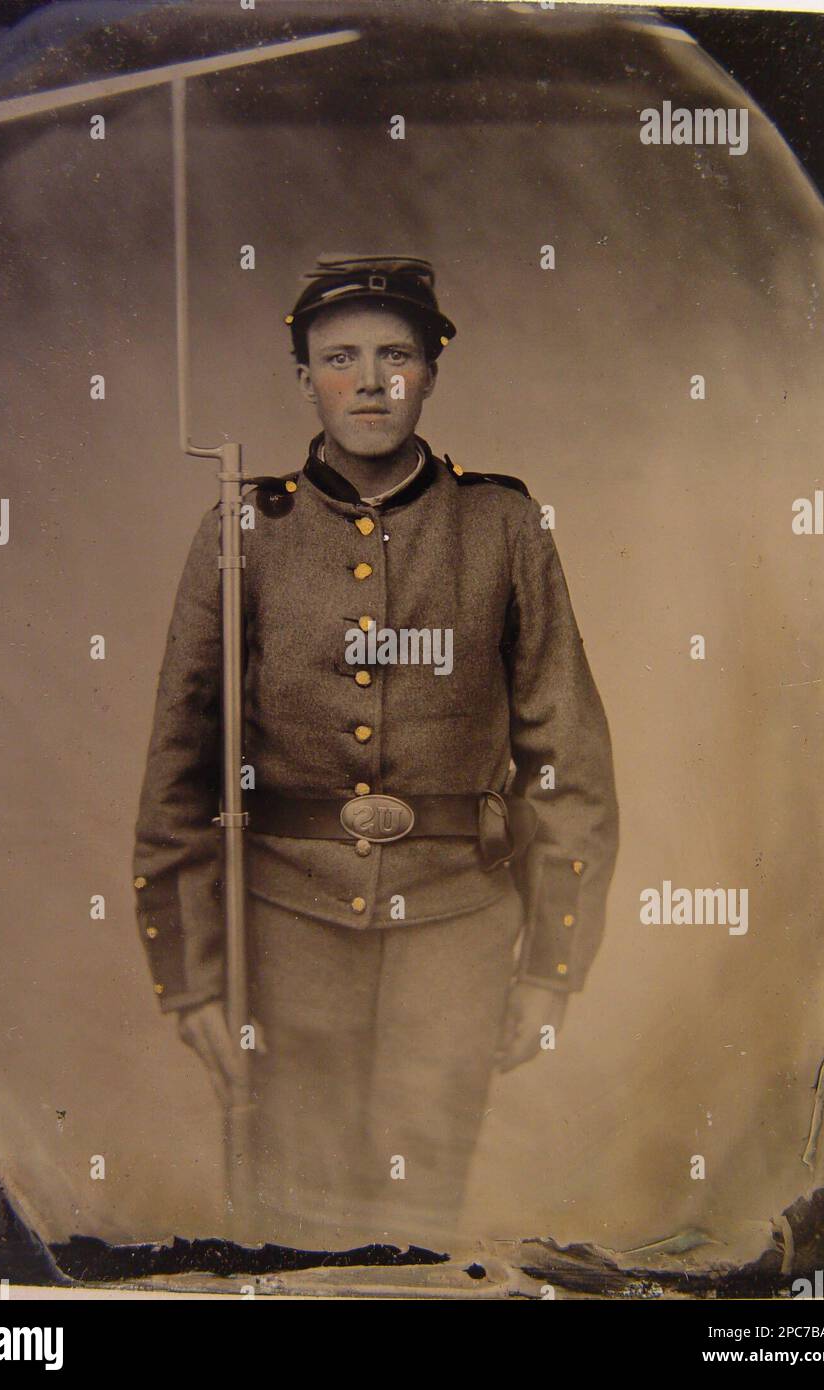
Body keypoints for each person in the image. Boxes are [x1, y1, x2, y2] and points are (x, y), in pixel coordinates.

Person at [132, 255, 619, 1249]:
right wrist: (192, 978)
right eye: (338, 357)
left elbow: (567, 755)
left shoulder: (504, 525)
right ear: (303, 374)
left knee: (416, 1207)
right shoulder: (244, 527)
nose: (369, 380)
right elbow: (180, 766)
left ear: (433, 370)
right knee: (290, 1210)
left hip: (459, 922)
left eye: (396, 353)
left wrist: (551, 967)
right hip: (283, 924)